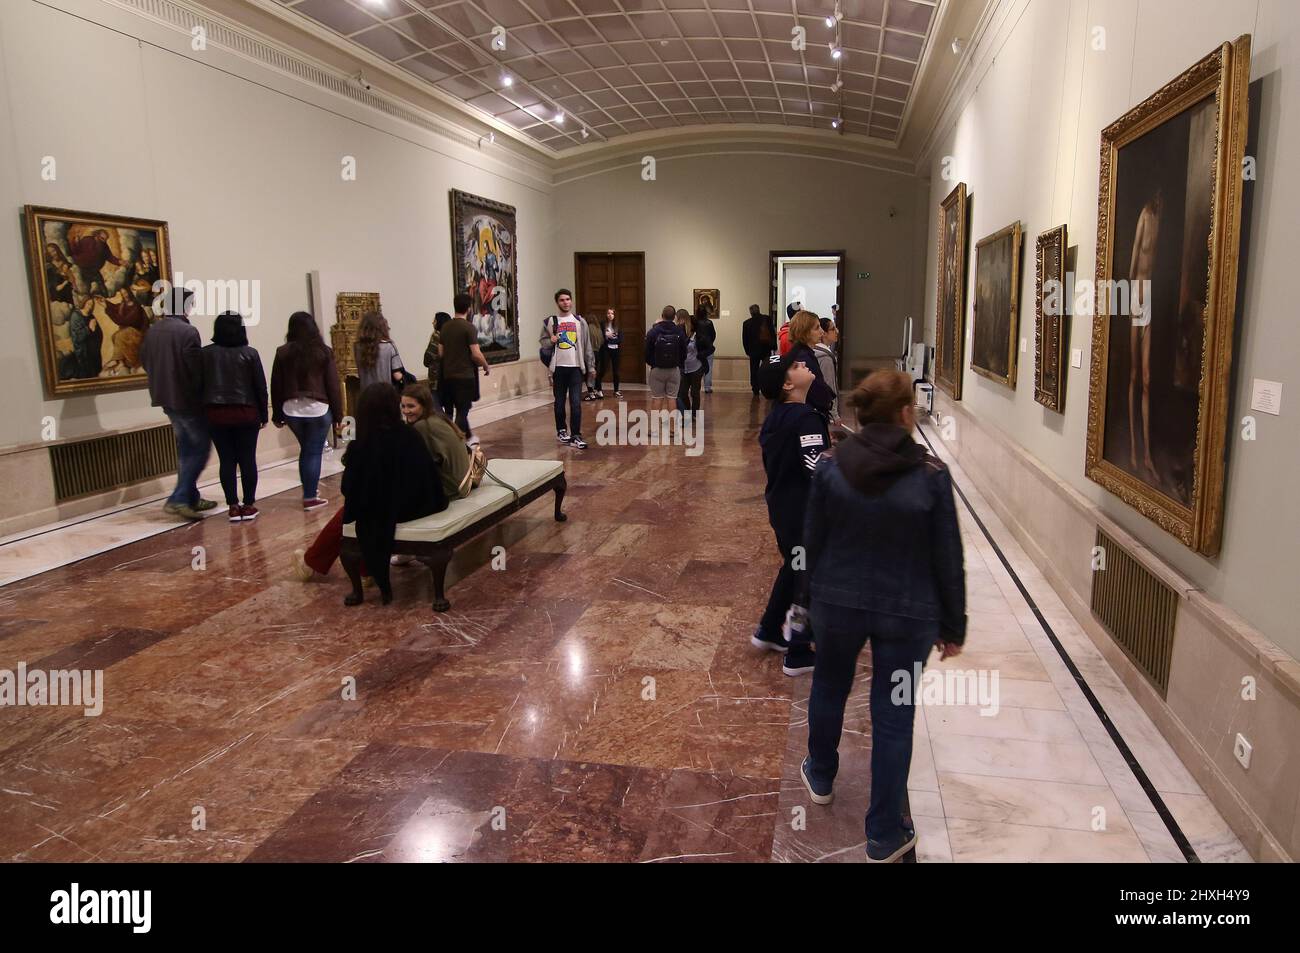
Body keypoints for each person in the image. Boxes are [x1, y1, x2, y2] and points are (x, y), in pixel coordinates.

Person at [801, 370, 966, 863]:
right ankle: (883, 832)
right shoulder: (932, 474)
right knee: (893, 718)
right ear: (905, 414)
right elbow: (947, 556)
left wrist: (807, 604)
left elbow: (810, 543)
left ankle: (822, 775)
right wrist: (952, 625)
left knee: (829, 687)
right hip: (908, 612)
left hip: (837, 603)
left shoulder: (830, 466)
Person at [751, 353, 827, 676]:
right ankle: (797, 649)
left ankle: (769, 629)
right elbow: (817, 469)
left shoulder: (776, 417)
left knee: (795, 567)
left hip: (781, 508)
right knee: (806, 580)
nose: (804, 365)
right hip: (805, 513)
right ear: (787, 384)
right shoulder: (806, 418)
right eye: (795, 367)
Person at [338, 383, 447, 605]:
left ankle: (364, 589)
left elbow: (348, 488)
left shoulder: (360, 444)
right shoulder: (409, 435)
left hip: (378, 511)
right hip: (415, 507)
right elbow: (427, 477)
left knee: (364, 517)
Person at [140, 287, 216, 520]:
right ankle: (179, 498)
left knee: (185, 448)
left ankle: (191, 497)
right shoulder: (187, 331)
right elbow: (195, 370)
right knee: (200, 448)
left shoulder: (152, 331)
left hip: (164, 397)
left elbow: (144, 360)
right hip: (187, 399)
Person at [199, 312, 268, 522]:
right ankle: (248, 505)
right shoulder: (250, 353)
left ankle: (232, 505)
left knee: (226, 460)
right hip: (246, 412)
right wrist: (264, 414)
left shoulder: (205, 354)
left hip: (216, 414)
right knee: (247, 459)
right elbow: (260, 387)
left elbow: (198, 386)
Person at [270, 311, 342, 511]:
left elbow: (276, 384)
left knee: (307, 451)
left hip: (291, 409)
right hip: (318, 408)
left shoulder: (282, 352)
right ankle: (310, 496)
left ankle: (310, 490)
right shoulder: (323, 351)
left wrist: (276, 413)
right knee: (312, 452)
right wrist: (338, 415)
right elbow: (333, 385)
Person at [1129, 188, 1161, 481]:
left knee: (1148, 379)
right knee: (1135, 376)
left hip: (1148, 295)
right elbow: (1132, 266)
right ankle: (1134, 449)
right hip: (1136, 293)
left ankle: (1148, 454)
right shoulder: (1144, 216)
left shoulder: (1160, 220)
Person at [540, 288, 595, 450]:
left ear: (571, 301)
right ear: (557, 303)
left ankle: (576, 435)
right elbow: (543, 342)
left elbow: (587, 346)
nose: (565, 302)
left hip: (576, 368)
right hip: (558, 368)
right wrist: (551, 340)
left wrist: (591, 366)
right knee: (559, 402)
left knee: (576, 402)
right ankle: (562, 430)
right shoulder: (551, 321)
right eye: (562, 300)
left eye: (568, 299)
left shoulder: (580, 321)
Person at [438, 294, 491, 446]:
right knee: (463, 410)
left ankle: (468, 437)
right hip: (465, 376)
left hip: (448, 375)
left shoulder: (446, 327)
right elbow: (476, 353)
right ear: (469, 308)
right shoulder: (469, 327)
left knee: (459, 408)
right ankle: (454, 439)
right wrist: (486, 365)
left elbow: (441, 352)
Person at [785, 310, 836, 416]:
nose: (822, 332)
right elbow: (816, 389)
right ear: (804, 331)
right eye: (817, 328)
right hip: (807, 414)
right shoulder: (803, 358)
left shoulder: (802, 352)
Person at [645, 305, 686, 411]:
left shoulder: (653, 332)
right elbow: (683, 352)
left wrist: (652, 364)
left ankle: (655, 427)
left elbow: (647, 352)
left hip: (657, 368)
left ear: (662, 316)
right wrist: (678, 363)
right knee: (672, 399)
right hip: (673, 369)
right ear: (674, 317)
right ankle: (672, 427)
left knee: (657, 399)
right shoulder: (679, 331)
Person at [354, 311, 407, 391]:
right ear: (382, 327)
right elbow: (397, 375)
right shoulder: (389, 346)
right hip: (385, 394)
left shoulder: (357, 347)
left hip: (365, 395)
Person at [742, 304, 776, 396]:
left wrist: (747, 351)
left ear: (750, 312)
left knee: (754, 370)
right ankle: (767, 387)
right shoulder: (767, 319)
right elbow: (772, 333)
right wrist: (774, 347)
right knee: (767, 369)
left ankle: (755, 388)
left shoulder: (746, 323)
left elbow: (745, 339)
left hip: (753, 351)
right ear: (759, 310)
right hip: (766, 349)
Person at [677, 311, 705, 418]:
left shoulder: (699, 337)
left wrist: (701, 355)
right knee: (683, 393)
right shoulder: (683, 335)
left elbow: (710, 348)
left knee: (694, 393)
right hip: (684, 368)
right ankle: (687, 412)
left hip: (696, 368)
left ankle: (694, 414)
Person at [813, 316, 841, 422]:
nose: (836, 331)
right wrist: (834, 414)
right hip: (825, 412)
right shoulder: (825, 358)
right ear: (823, 333)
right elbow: (829, 384)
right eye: (833, 329)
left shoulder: (814, 351)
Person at [422, 311, 451, 396]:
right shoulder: (450, 335)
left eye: (434, 320)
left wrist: (426, 362)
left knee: (436, 404)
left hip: (436, 377)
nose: (432, 322)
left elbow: (429, 355)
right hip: (448, 376)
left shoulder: (437, 336)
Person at [597, 308, 623, 399]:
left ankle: (616, 390)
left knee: (616, 371)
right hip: (605, 349)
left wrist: (614, 339)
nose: (610, 315)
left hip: (615, 349)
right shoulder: (602, 324)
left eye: (612, 313)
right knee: (603, 369)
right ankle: (598, 389)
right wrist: (606, 336)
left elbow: (621, 338)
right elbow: (599, 336)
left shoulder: (617, 326)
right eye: (608, 313)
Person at [694, 303, 716, 394]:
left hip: (697, 348)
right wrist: (710, 342)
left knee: (696, 368)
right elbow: (713, 335)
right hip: (708, 348)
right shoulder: (709, 322)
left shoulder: (695, 322)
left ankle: (695, 386)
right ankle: (707, 387)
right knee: (709, 368)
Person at [582, 313, 605, 401]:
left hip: (590, 353)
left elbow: (586, 342)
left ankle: (591, 393)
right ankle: (599, 391)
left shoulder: (588, 328)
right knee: (596, 373)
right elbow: (602, 341)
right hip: (597, 352)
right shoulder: (598, 328)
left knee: (589, 373)